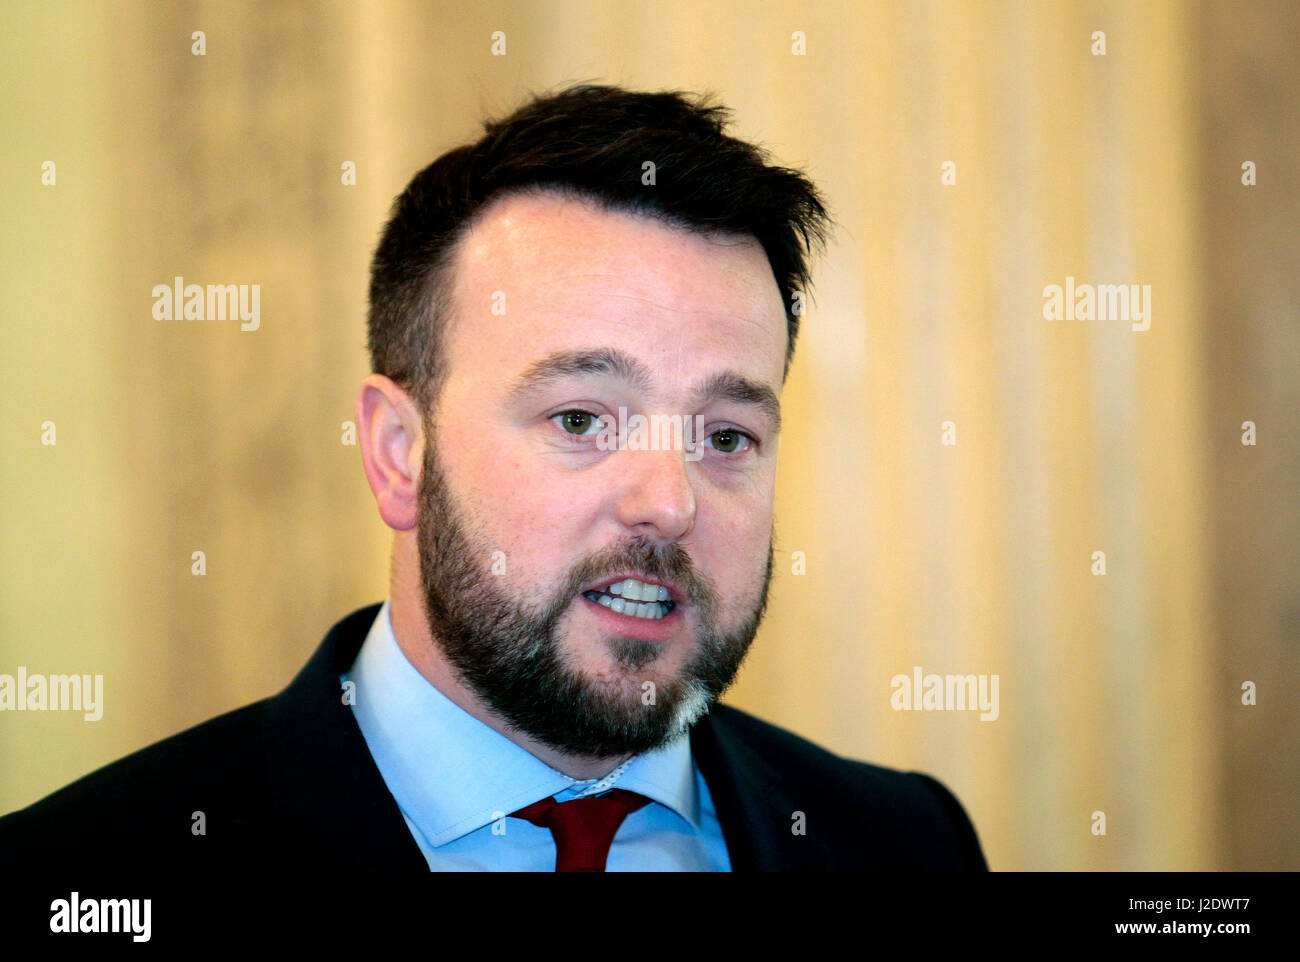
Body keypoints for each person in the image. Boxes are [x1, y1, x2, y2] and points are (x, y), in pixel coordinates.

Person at [0, 83, 988, 871]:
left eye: (726, 436)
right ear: (397, 452)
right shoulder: (83, 871)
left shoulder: (904, 843)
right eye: (578, 417)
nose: (669, 499)